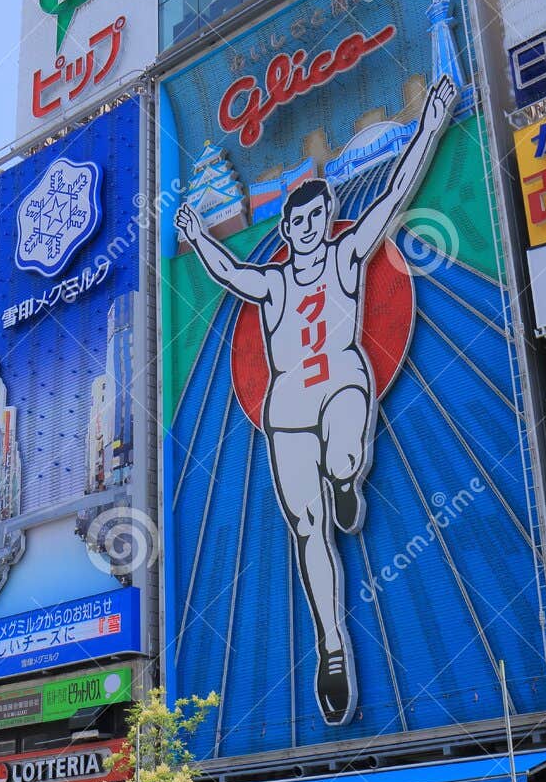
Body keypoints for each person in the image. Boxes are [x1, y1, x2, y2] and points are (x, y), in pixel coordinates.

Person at [175, 75, 458, 726]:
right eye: (297, 220)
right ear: (287, 225)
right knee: (309, 528)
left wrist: (431, 123)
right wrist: (198, 233)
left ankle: (346, 478)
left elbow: (394, 192)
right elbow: (229, 272)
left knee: (346, 434)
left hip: (343, 384)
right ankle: (331, 646)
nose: (307, 228)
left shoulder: (347, 256)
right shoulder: (273, 283)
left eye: (316, 218)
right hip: (288, 412)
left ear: (327, 219)